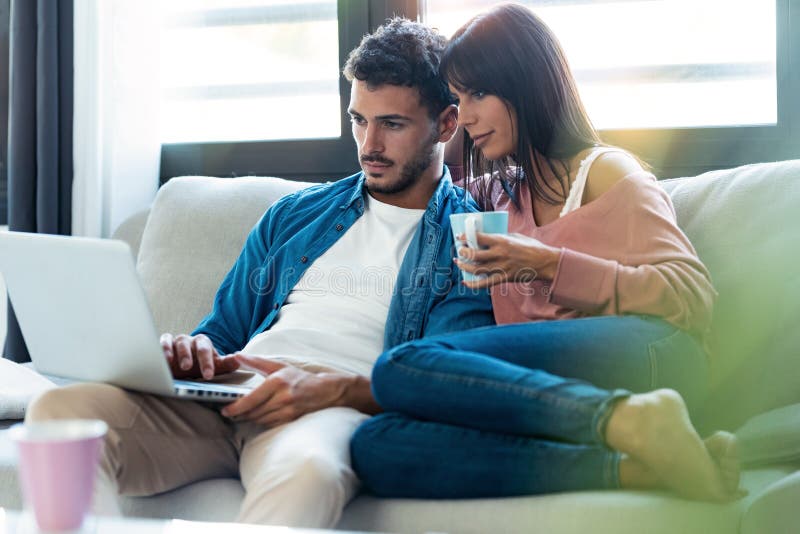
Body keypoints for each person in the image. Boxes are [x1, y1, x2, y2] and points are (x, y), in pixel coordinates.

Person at [25, 18, 494, 528]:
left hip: (325, 410)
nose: (368, 144)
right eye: (359, 119)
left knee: (309, 471)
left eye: (392, 124)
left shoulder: (467, 239)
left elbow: (442, 380)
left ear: (447, 124)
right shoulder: (295, 214)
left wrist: (327, 386)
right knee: (60, 414)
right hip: (228, 396)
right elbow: (222, 332)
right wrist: (190, 353)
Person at [350, 4, 743, 503]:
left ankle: (630, 416)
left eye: (479, 93)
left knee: (401, 367)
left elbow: (692, 296)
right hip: (552, 392)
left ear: (527, 84)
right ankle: (636, 460)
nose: (466, 117)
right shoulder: (493, 196)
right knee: (375, 445)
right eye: (456, 99)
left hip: (652, 355)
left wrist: (546, 264)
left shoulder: (605, 172)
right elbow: (423, 176)